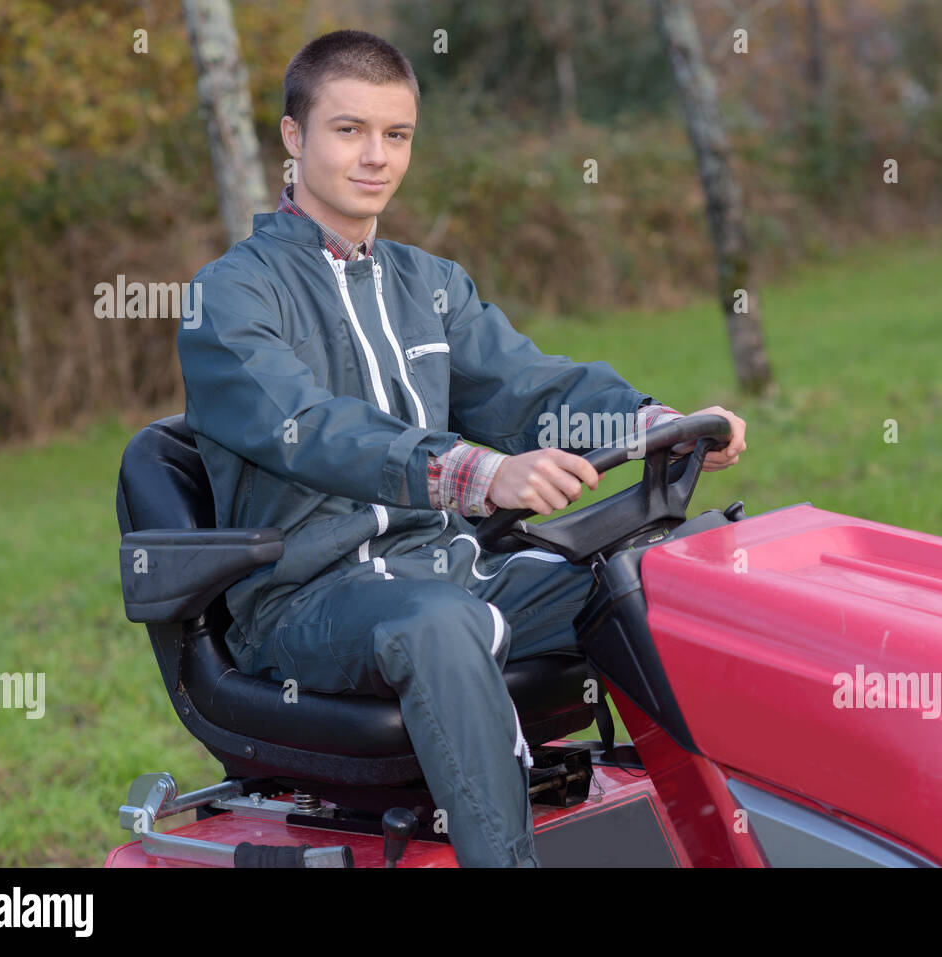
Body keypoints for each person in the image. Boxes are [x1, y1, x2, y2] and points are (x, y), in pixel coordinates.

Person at [177, 29, 746, 867]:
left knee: (668, 572)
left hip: (455, 571)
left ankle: (725, 838)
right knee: (439, 624)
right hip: (306, 602)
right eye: (349, 130)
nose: (376, 156)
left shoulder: (429, 284)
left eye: (396, 135)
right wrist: (476, 472)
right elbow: (307, 425)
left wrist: (649, 420)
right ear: (293, 138)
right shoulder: (229, 296)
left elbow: (529, 387)